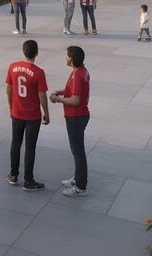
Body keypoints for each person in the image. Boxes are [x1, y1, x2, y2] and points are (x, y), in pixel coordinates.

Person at [5, 39, 50, 191]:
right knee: (30, 147)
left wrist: (11, 107)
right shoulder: (38, 72)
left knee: (15, 143)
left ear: (23, 51)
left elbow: (9, 89)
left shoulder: (13, 67)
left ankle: (13, 174)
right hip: (32, 116)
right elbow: (42, 95)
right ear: (37, 53)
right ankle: (28, 181)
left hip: (17, 112)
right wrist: (46, 113)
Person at [50, 46, 90, 197]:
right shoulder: (80, 71)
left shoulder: (78, 74)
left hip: (75, 117)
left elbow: (75, 100)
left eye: (66, 56)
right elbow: (74, 92)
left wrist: (58, 99)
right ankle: (78, 177)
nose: (65, 58)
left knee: (78, 151)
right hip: (78, 116)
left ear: (71, 59)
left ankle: (80, 186)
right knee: (76, 150)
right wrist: (60, 92)